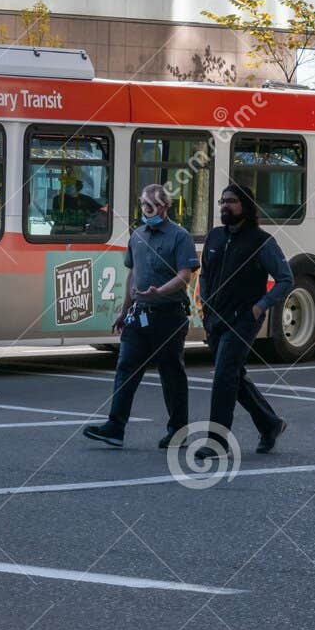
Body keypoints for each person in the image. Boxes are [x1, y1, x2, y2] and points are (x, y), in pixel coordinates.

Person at [83, 184, 200, 449]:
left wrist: (160, 290)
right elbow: (132, 274)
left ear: (165, 207)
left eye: (152, 206)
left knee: (171, 373)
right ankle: (115, 427)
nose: (147, 210)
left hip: (169, 314)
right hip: (139, 314)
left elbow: (185, 275)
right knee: (126, 367)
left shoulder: (179, 236)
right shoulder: (137, 235)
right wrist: (124, 310)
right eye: (144, 205)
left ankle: (178, 431)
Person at [198, 183, 294, 454]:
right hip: (215, 318)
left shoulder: (262, 242)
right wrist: (205, 301)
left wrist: (260, 306)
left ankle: (216, 442)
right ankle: (270, 424)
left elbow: (286, 279)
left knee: (224, 376)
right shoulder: (215, 237)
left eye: (231, 201)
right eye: (222, 201)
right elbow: (204, 274)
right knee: (234, 377)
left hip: (243, 320)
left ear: (247, 206)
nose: (225, 206)